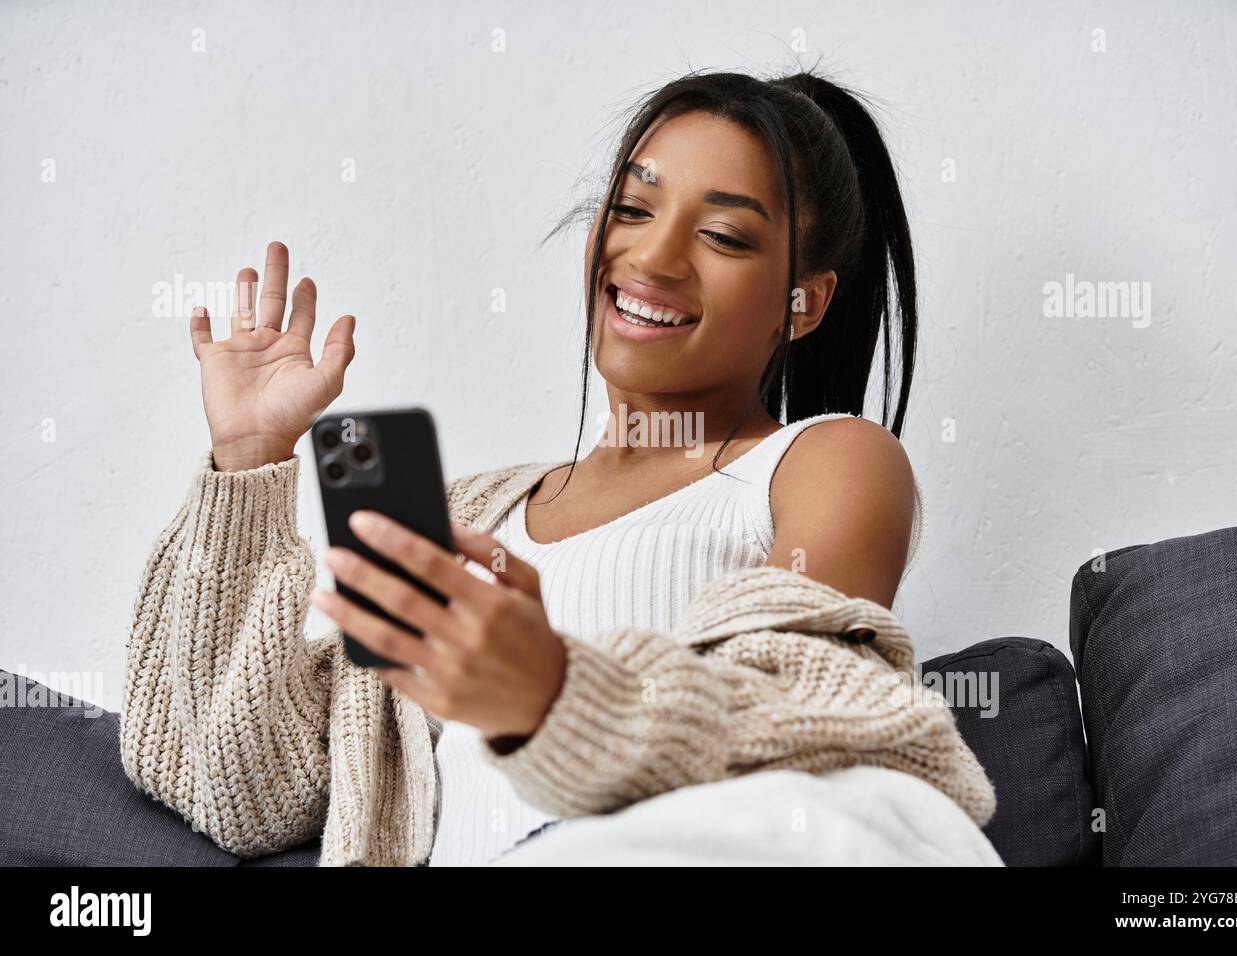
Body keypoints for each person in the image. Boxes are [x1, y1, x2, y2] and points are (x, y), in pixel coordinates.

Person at [129, 69, 992, 866]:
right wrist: (248, 466)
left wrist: (555, 693)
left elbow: (814, 707)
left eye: (724, 234)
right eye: (630, 208)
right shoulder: (472, 516)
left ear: (802, 305)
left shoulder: (820, 459)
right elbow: (245, 794)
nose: (652, 259)